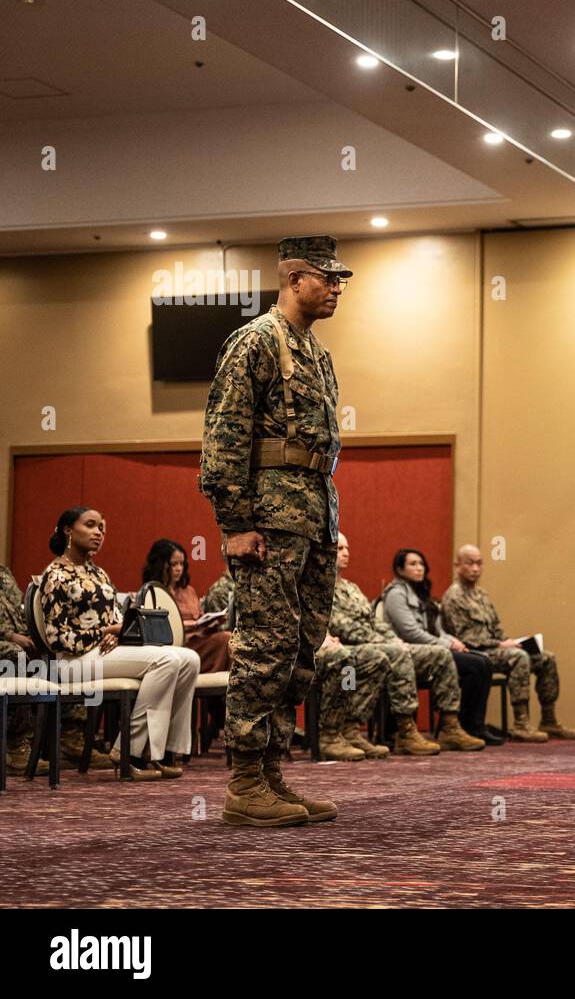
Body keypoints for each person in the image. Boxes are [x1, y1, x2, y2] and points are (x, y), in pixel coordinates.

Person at [200, 234, 350, 827]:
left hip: (312, 517)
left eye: (341, 280)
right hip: (266, 520)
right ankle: (242, 782)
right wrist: (234, 524)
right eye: (327, 278)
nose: (336, 288)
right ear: (293, 279)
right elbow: (225, 436)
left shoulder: (315, 352)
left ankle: (272, 773)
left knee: (301, 651)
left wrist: (327, 524)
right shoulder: (255, 342)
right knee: (263, 648)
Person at [40, 507, 198, 781]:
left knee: (188, 659)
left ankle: (163, 750)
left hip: (102, 654)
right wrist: (105, 632)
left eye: (102, 527)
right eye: (90, 525)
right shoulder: (55, 575)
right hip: (72, 663)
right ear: (68, 530)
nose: (98, 532)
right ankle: (131, 752)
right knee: (167, 660)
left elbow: (118, 619)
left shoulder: (98, 573)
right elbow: (58, 638)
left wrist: (119, 632)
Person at [329, 533, 480, 753]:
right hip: (346, 646)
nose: (345, 553)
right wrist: (390, 643)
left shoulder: (351, 588)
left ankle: (450, 726)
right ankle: (404, 730)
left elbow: (373, 621)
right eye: (339, 549)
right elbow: (343, 626)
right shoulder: (322, 588)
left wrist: (393, 639)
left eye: (347, 548)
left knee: (440, 654)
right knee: (398, 654)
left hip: (377, 644)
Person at [440, 545, 575, 743]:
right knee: (518, 657)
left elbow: (496, 628)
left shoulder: (482, 595)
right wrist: (501, 645)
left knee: (546, 657)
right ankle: (521, 723)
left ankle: (549, 719)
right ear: (458, 565)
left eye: (479, 563)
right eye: (469, 563)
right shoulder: (453, 597)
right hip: (476, 655)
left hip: (496, 649)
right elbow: (467, 639)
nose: (475, 568)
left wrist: (510, 642)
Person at [382, 547, 501, 746]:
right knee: (473, 665)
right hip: (410, 651)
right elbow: (411, 632)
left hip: (434, 648)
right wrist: (446, 645)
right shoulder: (396, 594)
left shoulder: (422, 594)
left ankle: (472, 724)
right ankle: (452, 726)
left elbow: (437, 630)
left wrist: (453, 641)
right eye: (413, 564)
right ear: (400, 570)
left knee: (483, 661)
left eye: (421, 564)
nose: (419, 568)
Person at [142, 539, 231, 673]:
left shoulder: (188, 591)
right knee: (225, 639)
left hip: (199, 640)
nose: (179, 568)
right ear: (161, 565)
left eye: (182, 564)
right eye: (174, 564)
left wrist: (212, 622)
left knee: (228, 637)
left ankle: (224, 688)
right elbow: (154, 629)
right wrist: (191, 625)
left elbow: (201, 618)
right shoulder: (153, 593)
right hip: (175, 646)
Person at [315, 632, 390, 762]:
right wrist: (317, 639)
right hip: (294, 648)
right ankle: (330, 736)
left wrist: (328, 636)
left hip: (318, 641)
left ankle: (349, 729)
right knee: (342, 659)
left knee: (377, 659)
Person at [1, 562, 46, 777]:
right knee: (16, 655)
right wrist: (9, 636)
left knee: (51, 651)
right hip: (5, 643)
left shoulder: (3, 572)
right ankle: (14, 745)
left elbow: (19, 606)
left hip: (15, 637)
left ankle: (67, 738)